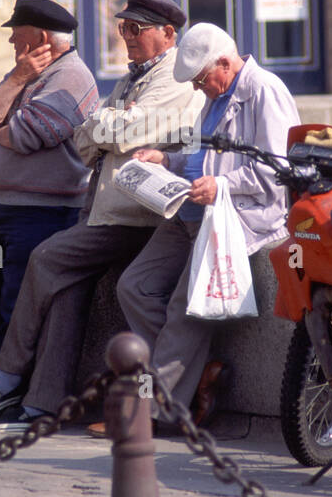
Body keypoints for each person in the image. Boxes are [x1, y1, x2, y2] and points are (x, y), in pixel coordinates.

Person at [0, 0, 204, 430]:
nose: (126, 37)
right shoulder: (130, 80)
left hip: (136, 215)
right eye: (123, 27)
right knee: (59, 291)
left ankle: (6, 379)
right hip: (100, 210)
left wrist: (107, 128)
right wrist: (105, 127)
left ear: (167, 34)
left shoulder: (172, 79)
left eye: (135, 29)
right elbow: (83, 138)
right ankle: (42, 405)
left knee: (51, 259)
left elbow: (95, 132)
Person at [113, 23, 301, 428]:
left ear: (224, 63)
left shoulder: (264, 91)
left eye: (201, 80)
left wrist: (222, 187)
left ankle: (159, 411)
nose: (199, 90)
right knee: (135, 286)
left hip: (232, 217)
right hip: (189, 209)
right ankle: (197, 374)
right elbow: (201, 158)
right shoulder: (215, 95)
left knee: (184, 311)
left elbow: (277, 171)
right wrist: (166, 162)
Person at [0, 0, 99, 418]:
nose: (12, 38)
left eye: (18, 32)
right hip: (3, 212)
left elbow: (31, 133)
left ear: (41, 38)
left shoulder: (72, 77)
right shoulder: (26, 74)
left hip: (43, 213)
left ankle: (2, 389)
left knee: (15, 299)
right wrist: (14, 80)